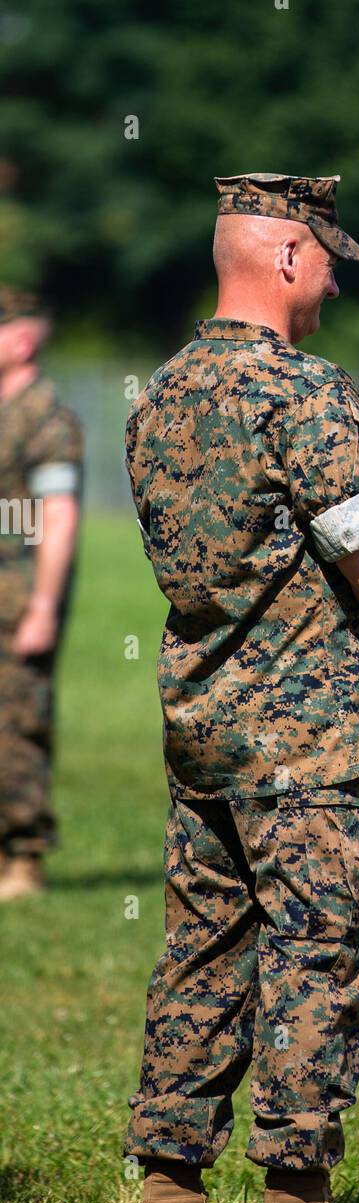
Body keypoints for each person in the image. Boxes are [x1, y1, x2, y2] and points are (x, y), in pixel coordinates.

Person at [119, 172, 359, 1203]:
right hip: (305, 740)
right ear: (288, 255)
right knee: (318, 955)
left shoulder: (157, 392)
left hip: (200, 726)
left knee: (202, 953)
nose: (339, 281)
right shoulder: (301, 390)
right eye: (329, 258)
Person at [0, 286, 82, 902]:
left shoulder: (46, 416)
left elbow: (57, 516)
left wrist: (43, 607)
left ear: (22, 339)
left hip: (17, 599)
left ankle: (23, 856)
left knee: (16, 724)